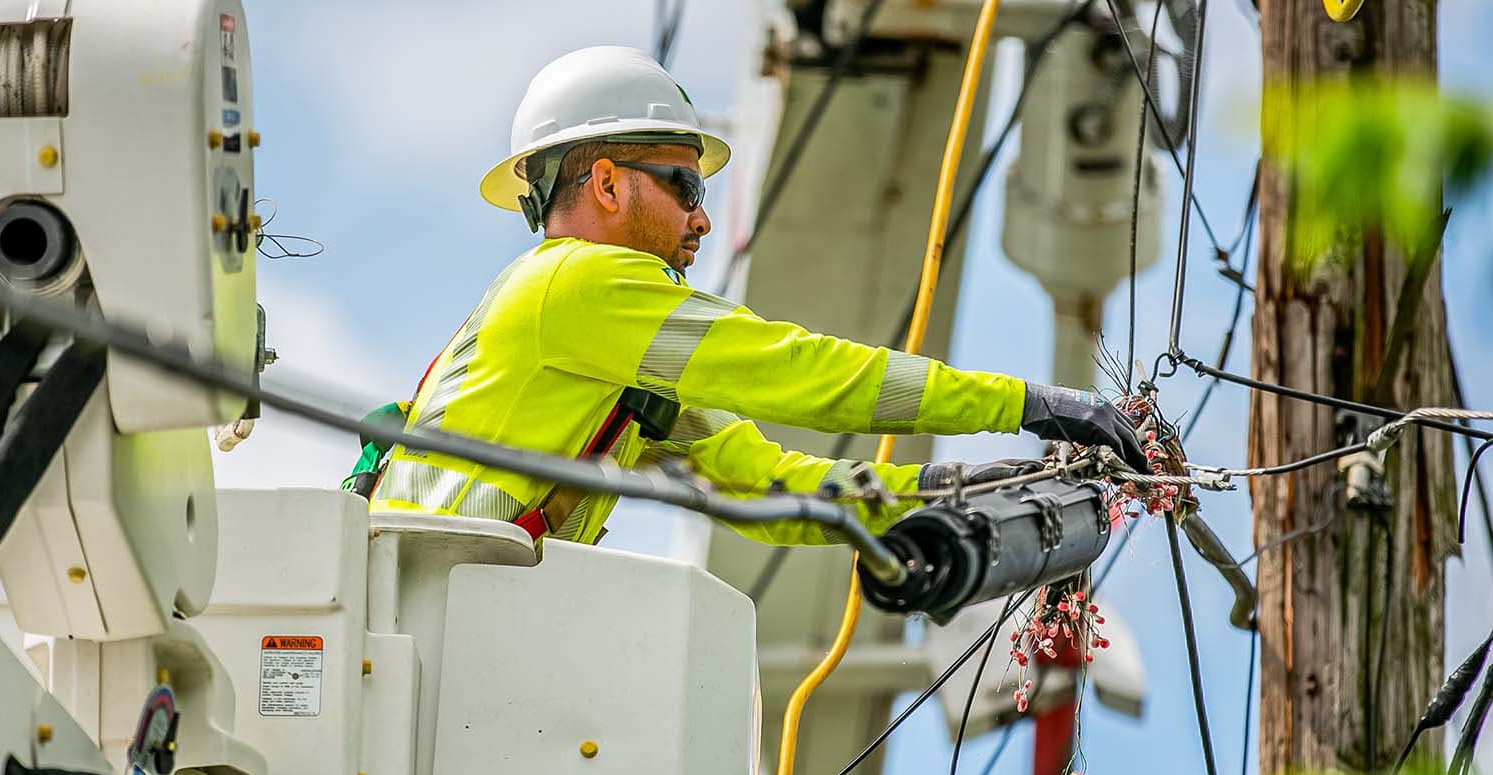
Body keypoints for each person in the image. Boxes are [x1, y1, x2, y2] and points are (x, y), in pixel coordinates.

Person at [363, 46, 1146, 545]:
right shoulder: (579, 285)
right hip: (437, 618)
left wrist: (954, 490)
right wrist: (1028, 404)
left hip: (439, 625)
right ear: (606, 183)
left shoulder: (600, 352)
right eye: (685, 186)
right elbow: (800, 373)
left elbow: (770, 486)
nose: (701, 218)